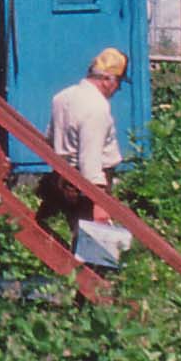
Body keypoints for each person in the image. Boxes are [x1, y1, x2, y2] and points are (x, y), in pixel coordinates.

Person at [38, 47, 128, 240]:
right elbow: (90, 159)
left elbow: (50, 139)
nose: (118, 89)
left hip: (63, 175)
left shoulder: (62, 97)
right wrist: (100, 203)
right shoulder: (96, 108)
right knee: (93, 241)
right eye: (119, 83)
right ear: (108, 80)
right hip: (88, 183)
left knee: (72, 230)